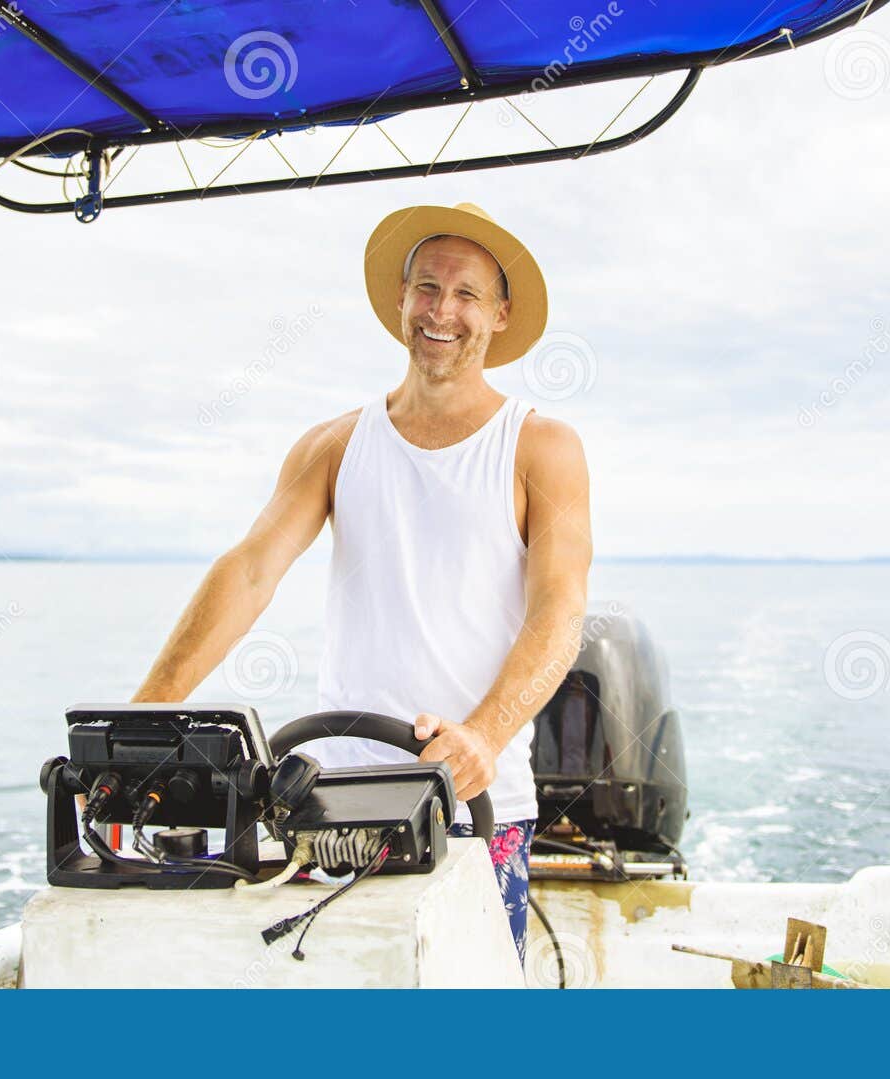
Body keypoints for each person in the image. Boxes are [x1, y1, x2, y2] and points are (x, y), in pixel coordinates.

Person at [131, 202, 591, 962]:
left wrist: (484, 734)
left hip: (480, 807)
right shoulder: (333, 445)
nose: (443, 311)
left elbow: (560, 608)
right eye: (428, 288)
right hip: (334, 812)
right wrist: (151, 708)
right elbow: (250, 570)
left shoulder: (542, 448)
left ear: (501, 315)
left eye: (468, 293)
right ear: (401, 301)